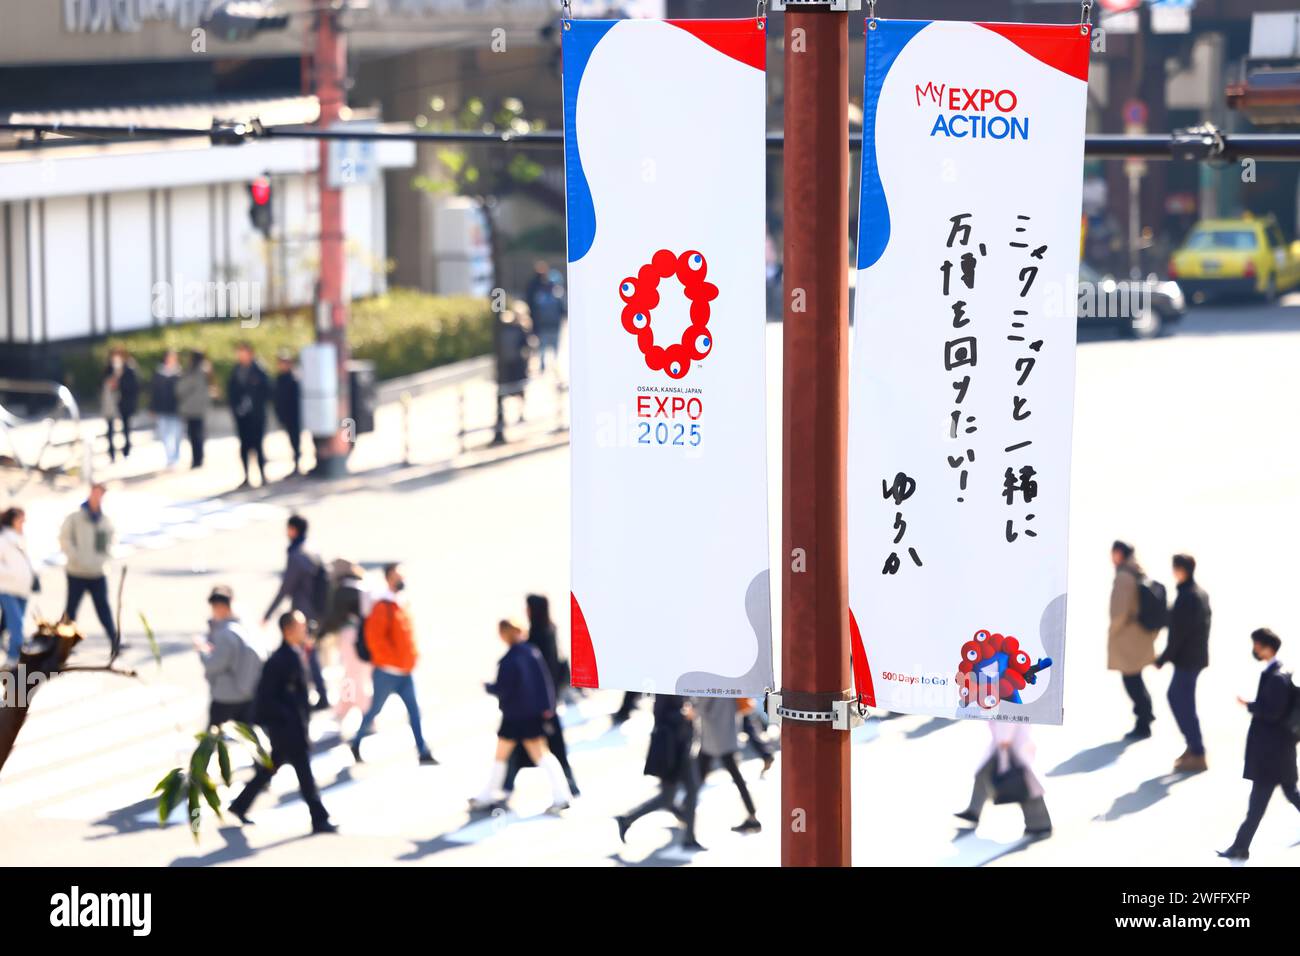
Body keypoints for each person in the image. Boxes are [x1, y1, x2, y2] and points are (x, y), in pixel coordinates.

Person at [228, 610, 336, 834]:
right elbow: (267, 697)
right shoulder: (279, 660)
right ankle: (319, 818)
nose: (305, 630)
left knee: (270, 769)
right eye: (301, 627)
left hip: (292, 727)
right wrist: (288, 717)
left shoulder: (295, 653)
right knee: (305, 776)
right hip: (288, 730)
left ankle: (239, 805)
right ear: (288, 630)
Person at [471, 619, 572, 813]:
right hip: (531, 716)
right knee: (537, 755)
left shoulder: (510, 660)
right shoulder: (531, 652)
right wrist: (547, 709)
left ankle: (488, 795)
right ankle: (488, 795)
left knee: (510, 756)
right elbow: (545, 684)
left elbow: (504, 689)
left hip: (515, 717)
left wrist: (487, 687)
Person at [1218, 628, 1299, 860]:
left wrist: (1250, 706)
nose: (1255, 650)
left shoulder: (1276, 678)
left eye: (1257, 645)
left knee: (1256, 806)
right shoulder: (1281, 672)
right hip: (1282, 751)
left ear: (1267, 647)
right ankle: (1240, 846)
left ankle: (1240, 847)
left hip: (1271, 754)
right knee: (1291, 792)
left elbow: (1272, 712)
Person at [349, 563, 436, 765]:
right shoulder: (382, 607)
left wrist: (410, 659)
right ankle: (356, 741)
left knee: (414, 711)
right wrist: (394, 660)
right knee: (374, 710)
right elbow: (375, 640)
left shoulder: (400, 603)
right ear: (389, 578)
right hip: (387, 673)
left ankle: (422, 750)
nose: (401, 580)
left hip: (405, 671)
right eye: (398, 576)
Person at [503, 594, 578, 798]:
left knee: (520, 748)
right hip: (547, 702)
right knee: (551, 749)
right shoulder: (549, 630)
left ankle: (505, 787)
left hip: (538, 705)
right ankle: (570, 786)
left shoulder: (537, 637)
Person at [615, 694, 702, 850]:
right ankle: (627, 819)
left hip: (683, 746)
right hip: (672, 749)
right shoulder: (665, 686)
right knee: (671, 796)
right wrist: (684, 714)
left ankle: (627, 819)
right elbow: (660, 715)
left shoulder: (685, 683)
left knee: (684, 792)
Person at [263, 515, 329, 709]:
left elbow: (286, 588)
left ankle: (310, 695)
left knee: (299, 655)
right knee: (309, 654)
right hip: (314, 612)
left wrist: (268, 613)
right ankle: (320, 694)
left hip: (301, 614)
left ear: (293, 530)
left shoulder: (297, 555)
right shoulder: (312, 549)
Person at [1157, 553, 1211, 773]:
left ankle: (1197, 751)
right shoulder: (1197, 593)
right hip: (1193, 657)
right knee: (1180, 699)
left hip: (1188, 659)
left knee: (1182, 701)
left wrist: (1163, 658)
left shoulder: (1188, 596)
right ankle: (1193, 746)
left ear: (1182, 569)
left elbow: (1179, 633)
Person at [955, 721, 1053, 839]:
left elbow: (1008, 712)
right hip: (1009, 739)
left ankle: (1040, 823)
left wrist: (1004, 737)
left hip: (1011, 741)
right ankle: (974, 810)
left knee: (1025, 782)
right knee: (985, 774)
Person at [59, 483, 118, 653]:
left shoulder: (104, 519)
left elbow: (110, 541)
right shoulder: (75, 518)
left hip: (97, 572)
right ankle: (62, 644)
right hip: (76, 571)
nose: (98, 497)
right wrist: (75, 557)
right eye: (96, 493)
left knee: (103, 609)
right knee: (71, 610)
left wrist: (103, 558)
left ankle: (114, 641)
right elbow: (65, 539)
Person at [1109, 540, 1159, 740]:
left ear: (1119, 553)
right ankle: (1146, 715)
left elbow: (1119, 613)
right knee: (1135, 678)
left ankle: (1144, 719)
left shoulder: (1123, 576)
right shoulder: (1137, 570)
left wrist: (1113, 632)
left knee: (1131, 680)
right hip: (1140, 636)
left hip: (1128, 637)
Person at [194, 585, 262, 729]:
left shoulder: (225, 634)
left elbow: (214, 664)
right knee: (248, 739)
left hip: (226, 695)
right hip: (247, 692)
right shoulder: (243, 625)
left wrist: (201, 650)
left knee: (211, 740)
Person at [696, 696, 762, 833]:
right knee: (735, 778)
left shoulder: (708, 681)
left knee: (698, 776)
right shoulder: (729, 680)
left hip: (713, 737)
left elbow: (701, 708)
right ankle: (752, 815)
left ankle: (686, 810)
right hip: (727, 734)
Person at [227, 341, 272, 488]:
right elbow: (231, 392)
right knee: (244, 447)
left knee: (258, 446)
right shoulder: (235, 371)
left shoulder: (259, 370)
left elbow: (267, 391)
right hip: (242, 417)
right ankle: (246, 477)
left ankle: (262, 475)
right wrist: (236, 408)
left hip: (257, 416)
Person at [0, 507, 36, 664]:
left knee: (12, 623)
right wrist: (11, 573)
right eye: (21, 520)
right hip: (8, 588)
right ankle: (13, 659)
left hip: (22, 588)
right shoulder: (4, 539)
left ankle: (12, 655)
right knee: (17, 626)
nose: (23, 523)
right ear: (12, 520)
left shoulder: (22, 539)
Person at [101, 346, 139, 462]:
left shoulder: (129, 369)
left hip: (124, 402)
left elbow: (134, 386)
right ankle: (111, 452)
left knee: (126, 428)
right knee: (110, 429)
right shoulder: (108, 370)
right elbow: (101, 384)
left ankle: (126, 450)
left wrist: (120, 382)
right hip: (110, 404)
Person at [176, 350, 212, 468]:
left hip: (191, 407)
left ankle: (197, 459)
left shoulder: (194, 372)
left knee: (194, 435)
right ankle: (199, 458)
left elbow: (182, 388)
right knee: (198, 434)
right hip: (200, 408)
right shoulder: (206, 371)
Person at [525, 261, 563, 373]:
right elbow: (562, 309)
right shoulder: (555, 292)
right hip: (552, 324)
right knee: (553, 346)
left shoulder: (536, 290)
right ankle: (552, 365)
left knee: (542, 346)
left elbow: (531, 304)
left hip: (542, 323)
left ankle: (543, 365)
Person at [273, 350, 304, 476]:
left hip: (294, 416)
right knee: (292, 441)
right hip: (285, 415)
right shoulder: (280, 378)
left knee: (296, 441)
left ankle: (297, 464)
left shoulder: (294, 379)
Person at [150, 349, 183, 468]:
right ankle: (169, 458)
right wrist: (152, 407)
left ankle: (176, 457)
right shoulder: (159, 373)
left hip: (176, 409)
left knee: (177, 434)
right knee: (164, 434)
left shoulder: (180, 373)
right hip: (162, 409)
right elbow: (154, 391)